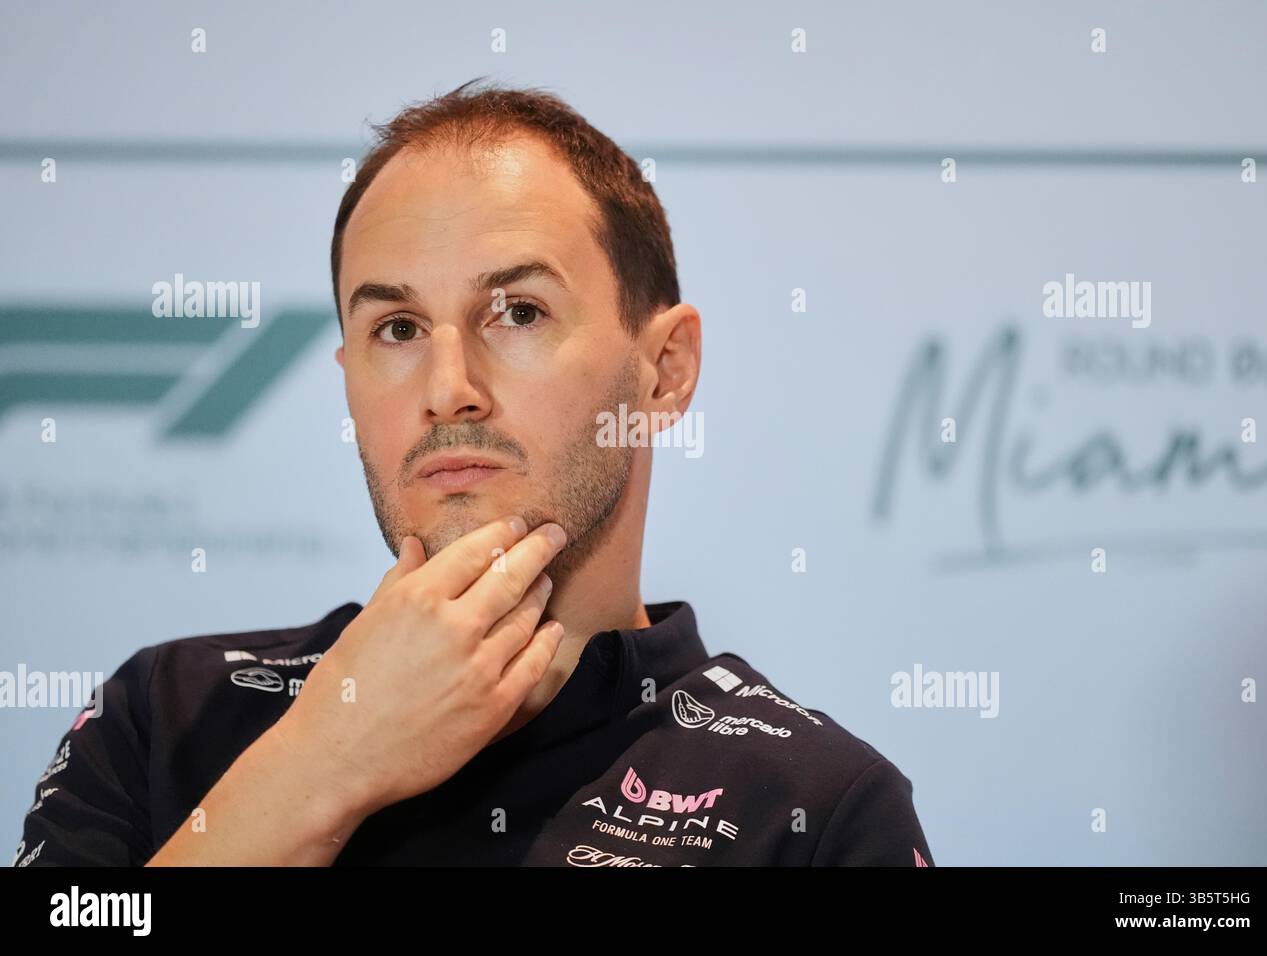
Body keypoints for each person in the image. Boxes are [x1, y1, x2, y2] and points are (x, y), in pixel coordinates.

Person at [14, 78, 935, 867]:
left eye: (519, 313)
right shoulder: (168, 716)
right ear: (349, 379)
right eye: (398, 330)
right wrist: (320, 765)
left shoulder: (815, 810)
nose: (448, 390)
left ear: (663, 370)